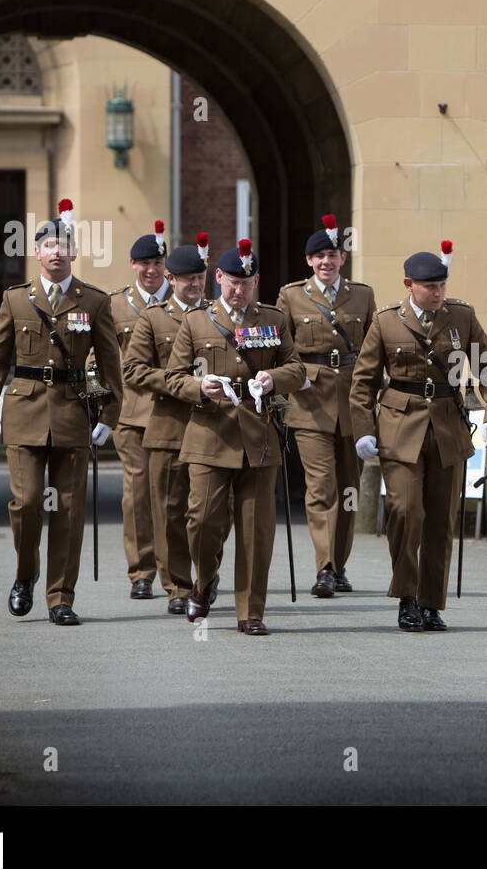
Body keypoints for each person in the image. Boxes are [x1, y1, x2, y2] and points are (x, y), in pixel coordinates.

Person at [0, 198, 122, 626]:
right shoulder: (16, 300)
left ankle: (60, 596)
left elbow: (111, 365)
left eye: (64, 245)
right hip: (23, 412)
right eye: (48, 245)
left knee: (69, 509)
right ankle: (25, 575)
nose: (56, 252)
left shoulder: (94, 302)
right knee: (25, 503)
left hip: (74, 414)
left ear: (74, 253)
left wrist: (108, 416)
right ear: (36, 253)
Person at [349, 241, 487, 631]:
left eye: (441, 285)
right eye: (429, 286)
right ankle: (406, 596)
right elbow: (363, 382)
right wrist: (362, 430)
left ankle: (431, 602)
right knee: (405, 511)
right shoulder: (386, 321)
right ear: (409, 284)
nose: (438, 293)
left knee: (440, 519)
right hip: (400, 428)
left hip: (449, 427)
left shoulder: (461, 316)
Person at [164, 238, 307, 635]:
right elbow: (174, 377)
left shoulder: (274, 320)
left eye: (246, 283)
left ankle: (250, 611)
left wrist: (273, 378)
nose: (238, 291)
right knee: (202, 521)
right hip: (210, 434)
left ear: (256, 281)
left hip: (258, 436)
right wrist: (198, 387)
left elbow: (297, 370)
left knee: (256, 529)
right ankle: (205, 579)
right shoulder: (196, 321)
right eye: (231, 282)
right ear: (218, 278)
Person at [122, 232, 227, 614]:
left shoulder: (220, 314)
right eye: (187, 279)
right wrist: (183, 385)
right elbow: (132, 370)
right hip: (168, 424)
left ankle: (208, 574)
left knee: (213, 511)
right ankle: (178, 587)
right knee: (169, 509)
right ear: (171, 280)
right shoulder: (152, 319)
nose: (195, 284)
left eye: (200, 277)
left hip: (216, 425)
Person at [275, 214, 376, 597]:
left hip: (353, 401)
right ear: (308, 261)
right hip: (310, 402)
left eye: (332, 255)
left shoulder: (363, 295)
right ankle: (324, 568)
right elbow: (281, 348)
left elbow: (371, 350)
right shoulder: (291, 295)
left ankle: (341, 563)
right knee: (321, 488)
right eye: (318, 256)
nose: (326, 262)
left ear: (342, 259)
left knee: (350, 487)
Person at [109, 220, 169, 600]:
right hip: (131, 412)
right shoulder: (115, 304)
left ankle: (177, 567)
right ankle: (142, 571)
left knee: (176, 494)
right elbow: (99, 356)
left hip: (176, 409)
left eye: (157, 263)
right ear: (133, 264)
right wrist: (101, 406)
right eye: (143, 263)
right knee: (136, 494)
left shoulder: (188, 300)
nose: (150, 270)